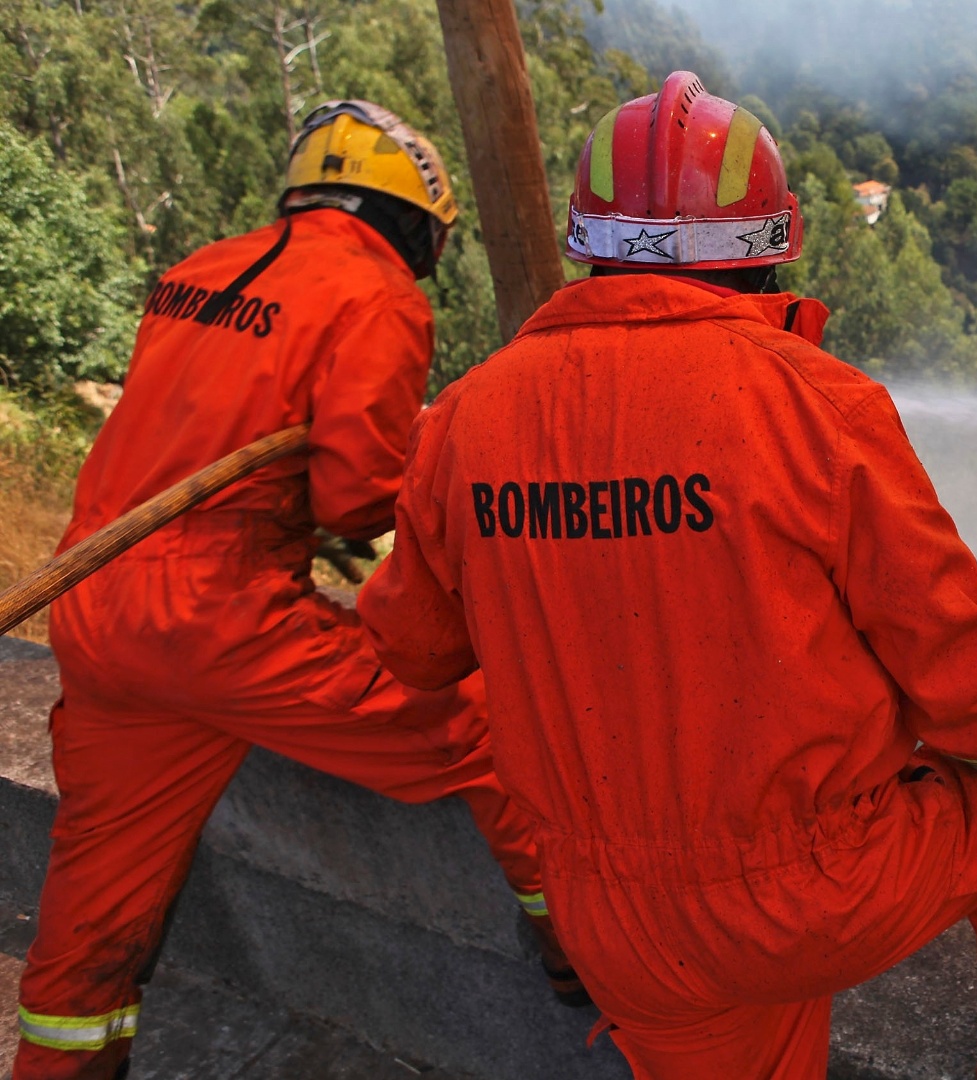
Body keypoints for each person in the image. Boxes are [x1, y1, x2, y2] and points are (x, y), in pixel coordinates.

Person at [356, 71, 977, 1080]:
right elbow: (963, 683)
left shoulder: (467, 418)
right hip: (806, 893)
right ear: (765, 256)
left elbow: (414, 652)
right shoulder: (816, 406)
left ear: (593, 249)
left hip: (614, 920)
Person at [16, 101, 575, 1080]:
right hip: (217, 621)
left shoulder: (200, 272)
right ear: (417, 221)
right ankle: (573, 942)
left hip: (99, 606)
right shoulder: (376, 296)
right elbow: (358, 498)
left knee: (94, 920)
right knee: (486, 716)